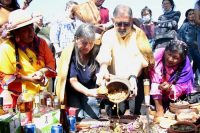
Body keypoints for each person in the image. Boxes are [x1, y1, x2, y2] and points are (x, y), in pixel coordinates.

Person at [96, 4, 155, 116]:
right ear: (113, 21)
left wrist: (132, 77)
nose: (122, 27)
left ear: (132, 21)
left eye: (126, 24)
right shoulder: (108, 35)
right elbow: (104, 54)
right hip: (114, 83)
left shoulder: (139, 35)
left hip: (135, 79)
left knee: (139, 114)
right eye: (118, 24)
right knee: (115, 114)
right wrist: (103, 69)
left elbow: (141, 58)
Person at [0, 9, 56, 107]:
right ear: (16, 33)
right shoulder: (6, 49)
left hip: (41, 96)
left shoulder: (41, 43)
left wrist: (41, 72)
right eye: (25, 30)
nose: (31, 33)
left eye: (32, 28)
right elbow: (4, 77)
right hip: (18, 100)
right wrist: (28, 79)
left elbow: (51, 64)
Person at [55, 24, 104, 120]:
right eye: (84, 43)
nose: (88, 47)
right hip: (73, 91)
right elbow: (73, 81)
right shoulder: (70, 54)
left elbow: (100, 73)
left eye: (91, 43)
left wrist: (102, 83)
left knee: (93, 116)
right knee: (76, 117)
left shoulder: (96, 51)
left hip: (91, 88)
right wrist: (88, 92)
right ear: (76, 39)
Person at [149, 40, 195, 120]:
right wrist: (160, 110)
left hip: (177, 97)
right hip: (156, 95)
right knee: (155, 86)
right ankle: (160, 109)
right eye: (169, 54)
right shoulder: (156, 58)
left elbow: (183, 87)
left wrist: (170, 88)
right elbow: (155, 82)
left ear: (181, 60)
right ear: (165, 51)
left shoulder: (185, 67)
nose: (170, 59)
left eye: (175, 58)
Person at [178, 9, 200, 86]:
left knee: (195, 67)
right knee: (187, 67)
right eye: (190, 14)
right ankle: (185, 83)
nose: (192, 15)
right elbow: (181, 37)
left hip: (197, 50)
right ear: (187, 17)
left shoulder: (198, 26)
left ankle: (194, 82)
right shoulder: (185, 25)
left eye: (193, 13)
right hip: (188, 50)